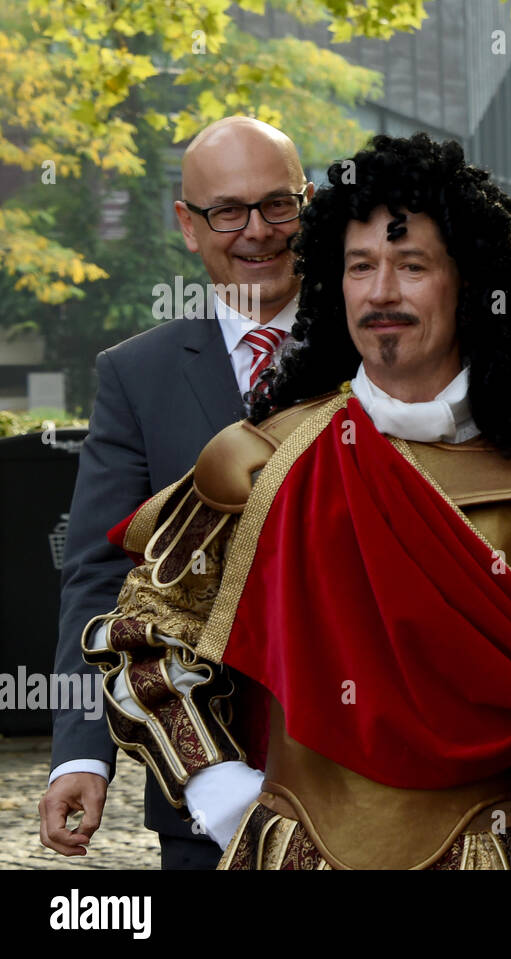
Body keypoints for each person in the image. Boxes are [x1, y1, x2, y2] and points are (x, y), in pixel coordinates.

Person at [81, 133, 511, 870]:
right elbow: (142, 634)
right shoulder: (263, 461)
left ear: (468, 283)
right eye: (360, 267)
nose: (381, 293)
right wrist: (218, 784)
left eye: (411, 266)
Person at [38, 116, 311, 869]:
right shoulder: (136, 375)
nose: (256, 231)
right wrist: (81, 756)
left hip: (366, 778)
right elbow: (98, 574)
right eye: (228, 211)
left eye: (277, 205)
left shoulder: (381, 348)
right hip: (202, 784)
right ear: (188, 226)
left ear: (308, 205)